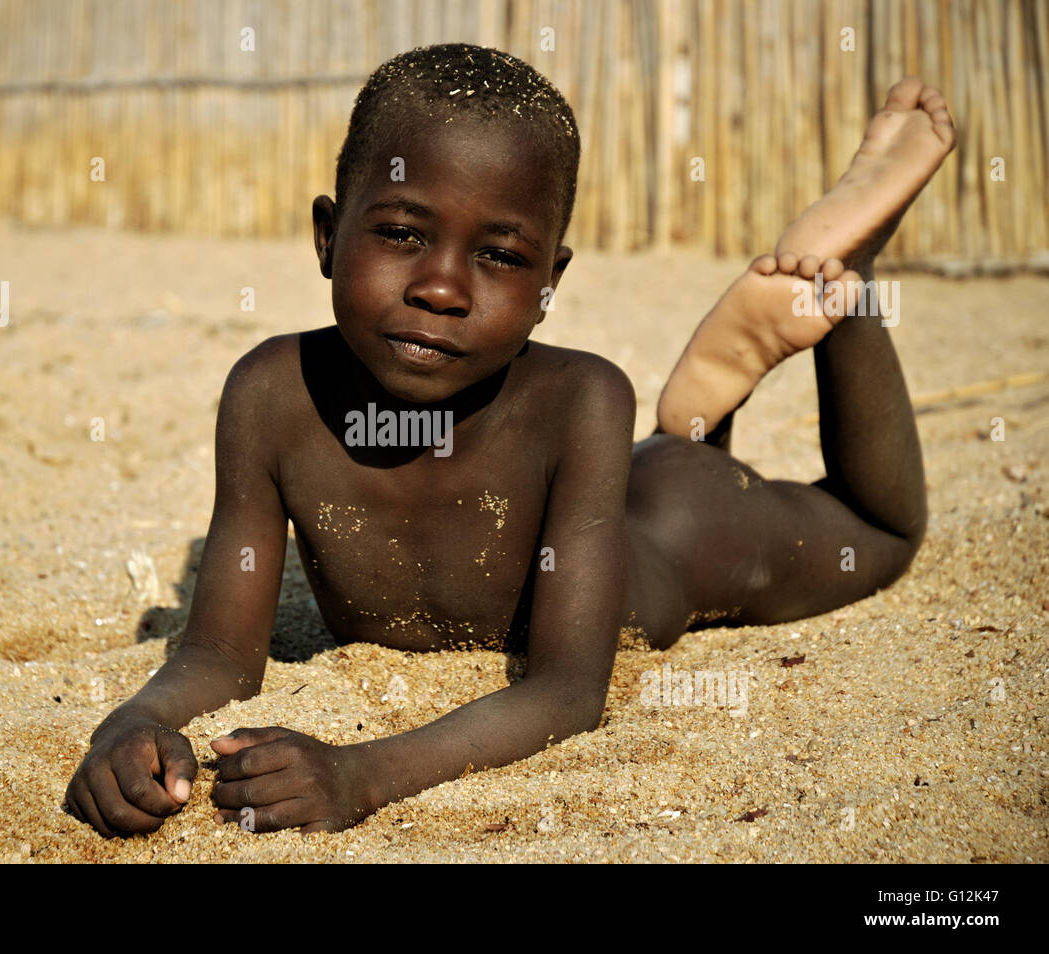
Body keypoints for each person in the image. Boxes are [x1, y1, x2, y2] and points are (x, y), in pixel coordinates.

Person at [64, 43, 955, 837]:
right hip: (608, 496)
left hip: (672, 535)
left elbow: (569, 690)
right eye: (403, 234)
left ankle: (846, 289)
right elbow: (219, 653)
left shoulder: (580, 399)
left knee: (878, 533)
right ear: (328, 235)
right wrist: (131, 723)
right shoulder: (269, 396)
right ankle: (703, 407)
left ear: (549, 282)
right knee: (675, 452)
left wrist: (359, 772)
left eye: (500, 256)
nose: (443, 288)